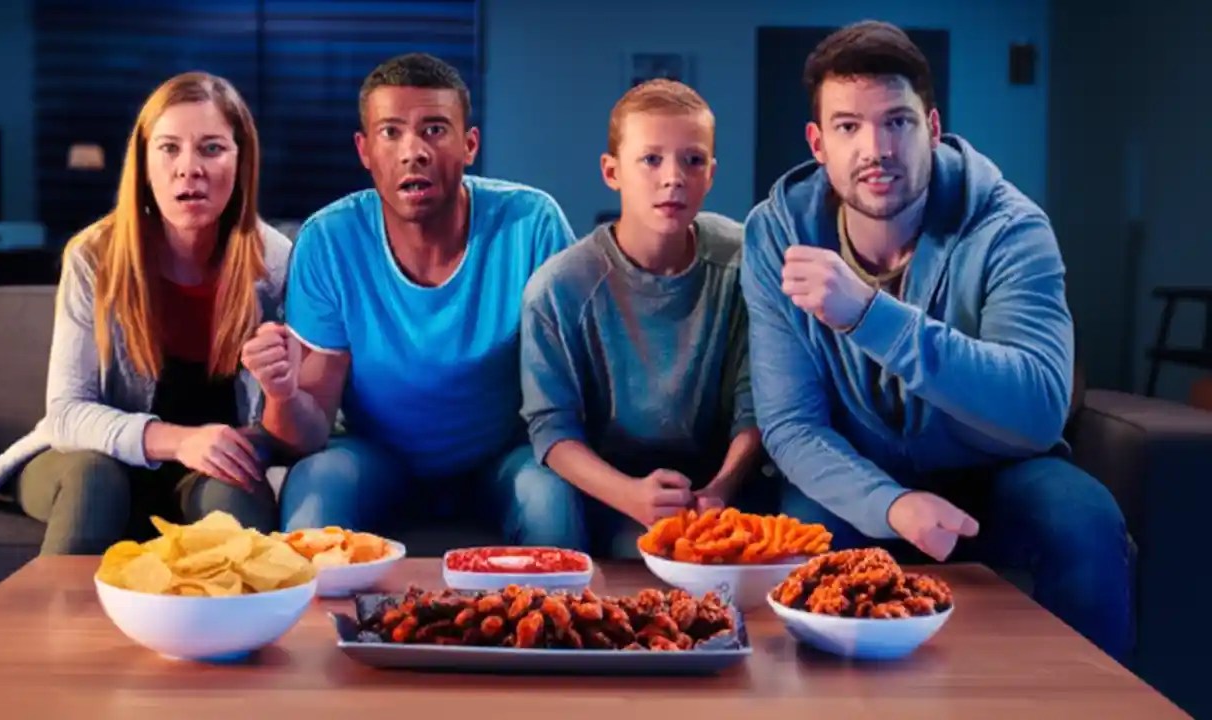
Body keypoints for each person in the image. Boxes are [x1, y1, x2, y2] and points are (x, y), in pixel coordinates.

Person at [741, 21, 1131, 659]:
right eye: (848, 126)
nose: (876, 149)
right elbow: (791, 425)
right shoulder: (777, 234)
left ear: (932, 127)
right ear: (818, 143)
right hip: (857, 474)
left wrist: (869, 315)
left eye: (897, 122)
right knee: (806, 538)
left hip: (1000, 470)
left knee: (1084, 520)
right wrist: (891, 505)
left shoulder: (1011, 227)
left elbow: (1039, 409)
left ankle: (1091, 700)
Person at [0, 72, 290, 554]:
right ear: (144, 163)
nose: (188, 168)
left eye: (212, 148)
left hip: (205, 470)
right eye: (169, 148)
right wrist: (178, 440)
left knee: (237, 489)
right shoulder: (94, 256)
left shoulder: (275, 261)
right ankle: (60, 609)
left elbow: (301, 420)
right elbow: (67, 413)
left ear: (242, 160)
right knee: (95, 478)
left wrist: (266, 416)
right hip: (94, 459)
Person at [242, 53, 576, 541]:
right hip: (376, 458)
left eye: (434, 130)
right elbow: (307, 435)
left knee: (550, 498)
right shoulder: (330, 239)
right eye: (390, 132)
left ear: (470, 144)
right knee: (316, 485)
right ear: (364, 150)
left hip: (504, 459)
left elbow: (567, 391)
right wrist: (282, 392)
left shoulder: (532, 224)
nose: (412, 151)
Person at [520, 79, 764, 556]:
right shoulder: (558, 288)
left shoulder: (743, 263)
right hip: (611, 483)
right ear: (611, 172)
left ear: (711, 174)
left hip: (719, 484)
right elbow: (552, 428)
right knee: (632, 549)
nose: (673, 177)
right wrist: (629, 496)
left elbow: (755, 404)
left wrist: (720, 490)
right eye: (651, 159)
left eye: (693, 160)